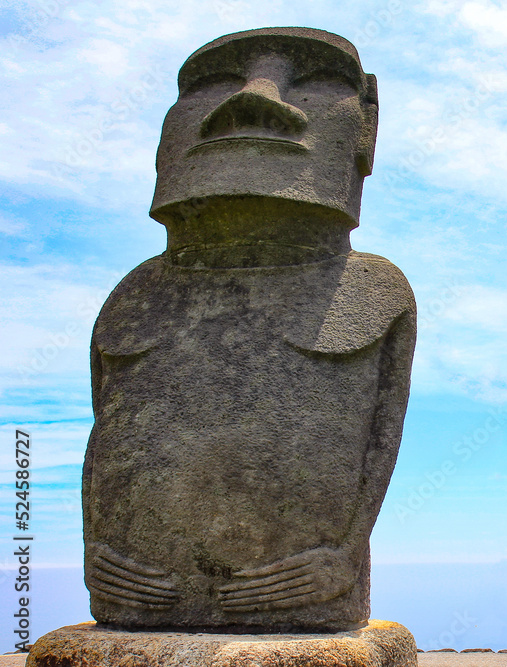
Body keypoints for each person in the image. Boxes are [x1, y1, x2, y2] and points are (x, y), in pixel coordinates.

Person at [83, 27, 415, 631]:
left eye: (317, 82)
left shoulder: (371, 290)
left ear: (367, 129)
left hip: (305, 589)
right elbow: (104, 431)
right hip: (136, 591)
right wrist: (97, 554)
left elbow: (379, 441)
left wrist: (340, 560)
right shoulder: (136, 293)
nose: (257, 97)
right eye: (210, 83)